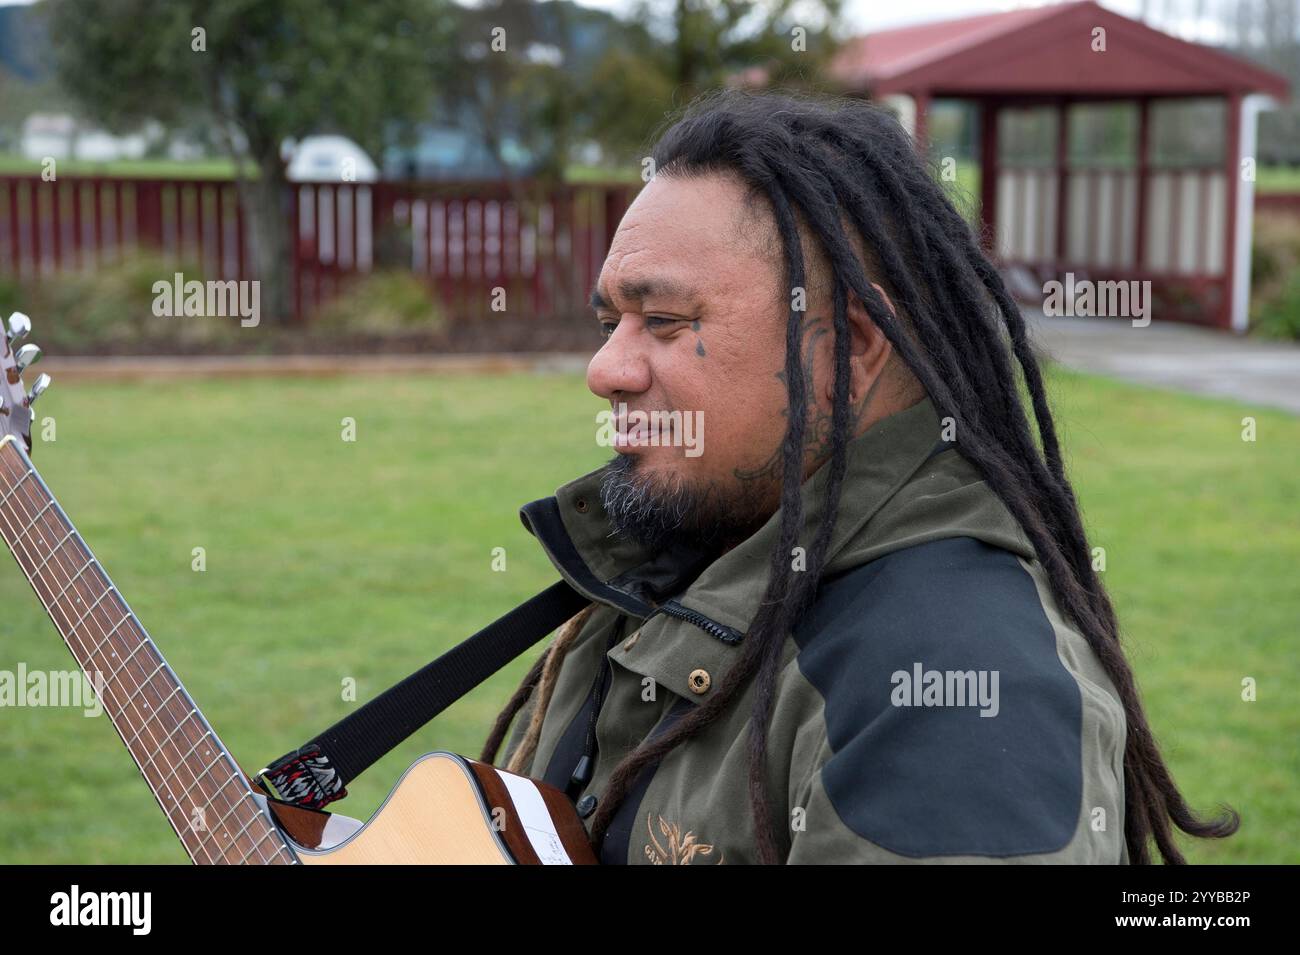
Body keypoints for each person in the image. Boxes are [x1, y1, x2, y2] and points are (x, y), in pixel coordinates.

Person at [480, 88, 1239, 865]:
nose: (604, 369)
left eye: (666, 322)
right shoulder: (687, 548)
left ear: (851, 346)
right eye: (611, 323)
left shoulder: (957, 693)